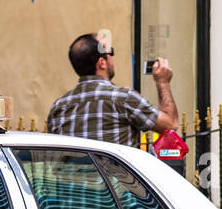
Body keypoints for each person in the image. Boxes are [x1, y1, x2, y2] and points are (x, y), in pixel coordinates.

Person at [46, 33, 179, 147]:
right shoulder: (123, 99)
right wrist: (163, 82)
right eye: (111, 52)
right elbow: (170, 125)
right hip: (113, 178)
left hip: (69, 178)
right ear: (101, 63)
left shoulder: (58, 107)